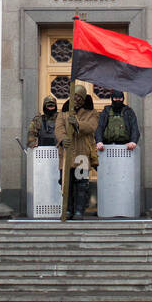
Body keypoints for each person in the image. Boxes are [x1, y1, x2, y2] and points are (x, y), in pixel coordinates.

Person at [55, 82, 98, 220]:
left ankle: (79, 210)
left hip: (82, 155)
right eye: (75, 96)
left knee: (81, 183)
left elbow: (91, 127)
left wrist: (77, 124)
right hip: (67, 155)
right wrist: (62, 139)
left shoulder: (91, 113)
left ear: (84, 99)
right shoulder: (63, 114)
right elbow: (59, 128)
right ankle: (67, 210)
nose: (77, 99)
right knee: (66, 183)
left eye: (80, 97)